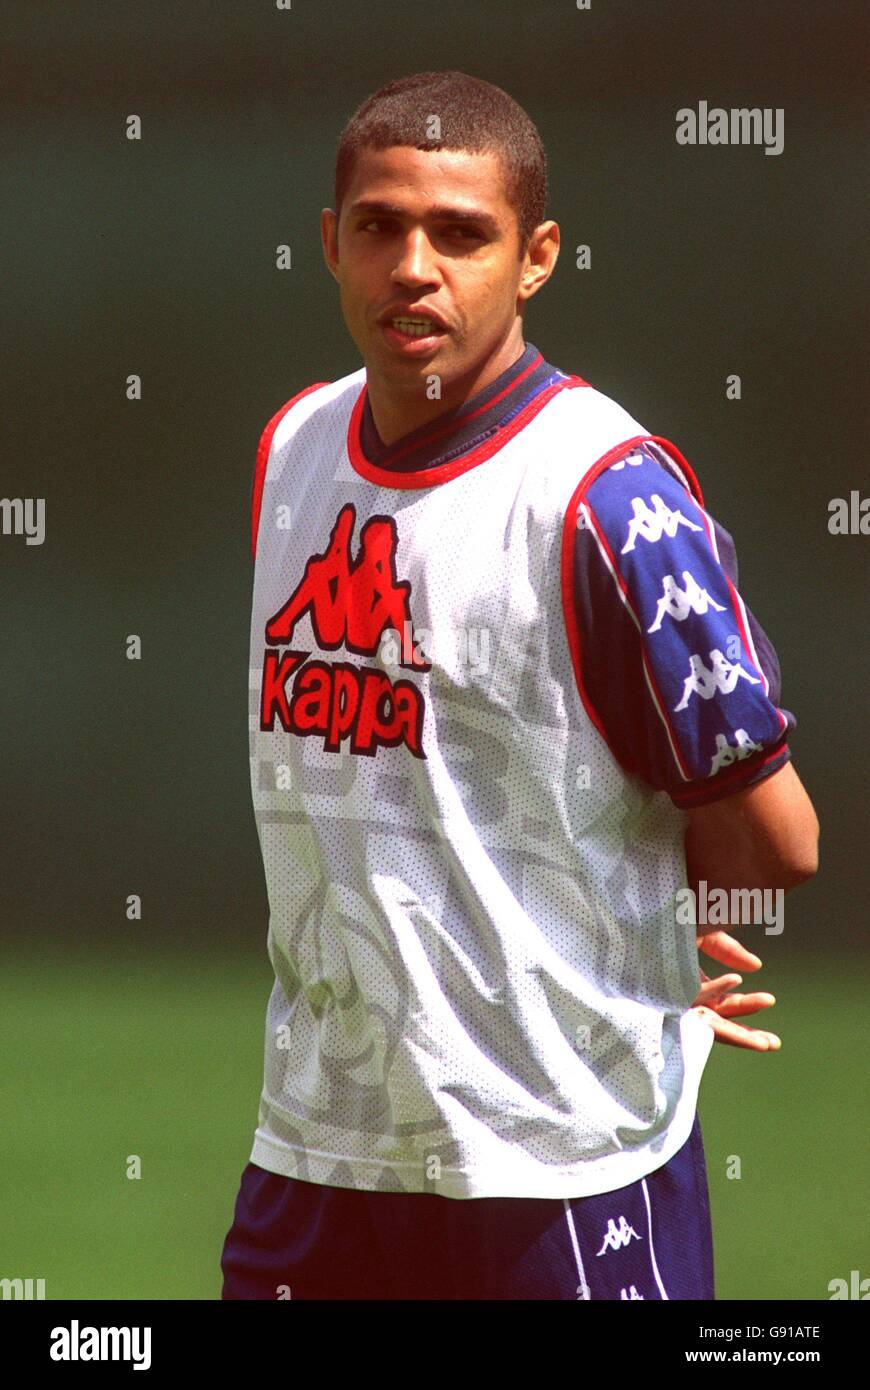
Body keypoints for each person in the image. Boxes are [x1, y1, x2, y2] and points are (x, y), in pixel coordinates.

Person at [221, 70, 819, 1301]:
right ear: (332, 245)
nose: (414, 266)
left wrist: (622, 921)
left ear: (536, 257)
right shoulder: (296, 448)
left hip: (557, 1167)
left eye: (462, 233)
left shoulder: (612, 499)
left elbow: (774, 844)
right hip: (318, 1151)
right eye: (381, 227)